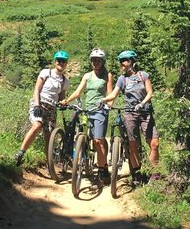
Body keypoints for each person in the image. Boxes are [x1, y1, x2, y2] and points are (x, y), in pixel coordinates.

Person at [103, 50, 159, 185]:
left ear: (132, 61)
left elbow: (150, 92)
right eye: (120, 61)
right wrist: (103, 100)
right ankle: (137, 174)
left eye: (125, 60)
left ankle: (154, 174)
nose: (122, 63)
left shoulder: (143, 75)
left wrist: (142, 103)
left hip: (145, 113)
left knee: (154, 144)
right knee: (133, 145)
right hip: (130, 113)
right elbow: (114, 94)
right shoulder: (122, 79)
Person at [62, 48, 113, 183]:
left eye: (98, 60)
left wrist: (108, 105)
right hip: (88, 109)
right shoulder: (87, 76)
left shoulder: (107, 76)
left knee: (98, 140)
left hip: (100, 110)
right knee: (88, 137)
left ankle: (102, 170)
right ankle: (86, 159)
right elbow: (78, 92)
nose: (96, 62)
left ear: (103, 61)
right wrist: (66, 101)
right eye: (93, 60)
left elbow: (110, 94)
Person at [14, 51, 70, 166]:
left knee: (49, 137)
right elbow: (37, 89)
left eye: (63, 61)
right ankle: (20, 153)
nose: (61, 63)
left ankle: (50, 165)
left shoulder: (65, 81)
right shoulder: (46, 72)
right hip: (39, 103)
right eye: (59, 60)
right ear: (55, 62)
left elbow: (61, 97)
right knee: (37, 125)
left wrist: (63, 103)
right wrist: (36, 105)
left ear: (66, 63)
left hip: (52, 108)